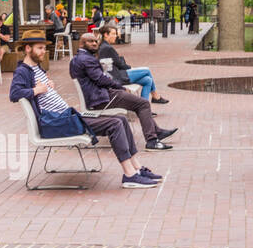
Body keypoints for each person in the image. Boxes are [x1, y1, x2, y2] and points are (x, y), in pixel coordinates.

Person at [9, 33, 163, 188]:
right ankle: (129, 175)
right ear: (28, 48)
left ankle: (137, 168)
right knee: (115, 124)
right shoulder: (23, 71)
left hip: (66, 117)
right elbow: (14, 94)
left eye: (44, 48)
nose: (44, 51)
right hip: (56, 123)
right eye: (40, 48)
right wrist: (36, 90)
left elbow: (39, 90)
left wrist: (47, 84)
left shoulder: (36, 69)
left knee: (121, 119)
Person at [69, 32, 177, 151]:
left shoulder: (78, 58)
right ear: (81, 44)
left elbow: (98, 78)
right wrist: (121, 87)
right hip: (101, 98)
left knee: (139, 102)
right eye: (90, 42)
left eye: (95, 41)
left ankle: (156, 132)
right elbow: (100, 79)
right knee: (143, 104)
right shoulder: (87, 60)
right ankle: (152, 141)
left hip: (97, 96)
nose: (94, 44)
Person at [97, 23, 169, 104]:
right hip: (117, 77)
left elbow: (116, 63)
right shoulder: (107, 48)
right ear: (106, 35)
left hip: (115, 75)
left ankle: (144, 106)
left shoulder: (104, 46)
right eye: (113, 34)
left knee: (148, 80)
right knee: (147, 70)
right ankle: (155, 95)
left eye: (116, 33)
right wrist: (131, 68)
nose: (116, 36)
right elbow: (120, 64)